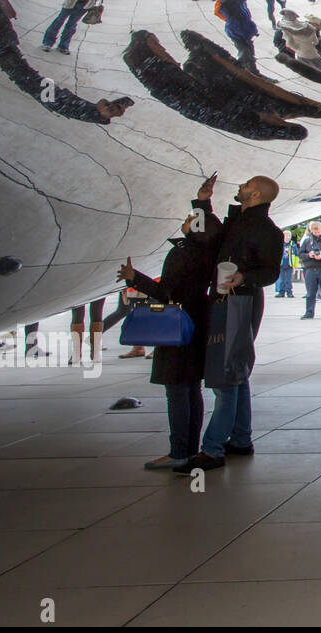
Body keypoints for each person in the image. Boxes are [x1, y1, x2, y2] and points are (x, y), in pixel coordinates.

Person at [176, 173, 282, 472]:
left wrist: (244, 277)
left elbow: (271, 272)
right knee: (236, 372)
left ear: (256, 196)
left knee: (226, 377)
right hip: (232, 298)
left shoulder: (265, 229)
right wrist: (202, 203)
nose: (240, 187)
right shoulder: (241, 222)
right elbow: (205, 237)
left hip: (239, 300)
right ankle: (240, 439)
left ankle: (212, 450)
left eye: (246, 186)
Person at [116, 177, 220, 469]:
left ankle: (178, 452)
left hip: (176, 326)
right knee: (191, 389)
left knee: (176, 390)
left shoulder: (184, 254)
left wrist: (135, 278)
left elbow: (167, 291)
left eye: (191, 220)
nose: (187, 221)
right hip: (196, 321)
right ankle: (189, 448)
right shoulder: (207, 253)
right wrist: (202, 200)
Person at [41, 0, 107, 54]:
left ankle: (63, 46)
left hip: (84, 6)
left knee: (71, 25)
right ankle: (48, 43)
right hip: (72, 3)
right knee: (59, 21)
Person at [214, 0, 260, 73]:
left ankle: (252, 72)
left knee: (250, 52)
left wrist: (252, 30)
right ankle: (240, 71)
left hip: (245, 31)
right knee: (245, 53)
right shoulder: (228, 0)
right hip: (236, 32)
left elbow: (246, 16)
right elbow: (235, 17)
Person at [298, 220, 321, 320]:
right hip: (310, 268)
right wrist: (308, 255)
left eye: (318, 232)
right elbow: (301, 254)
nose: (316, 234)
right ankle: (309, 312)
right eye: (315, 232)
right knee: (310, 292)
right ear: (311, 230)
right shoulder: (307, 241)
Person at [275, 229, 294, 298]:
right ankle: (281, 292)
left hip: (289, 265)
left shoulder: (293, 245)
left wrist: (294, 266)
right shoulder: (280, 244)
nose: (287, 237)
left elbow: (295, 256)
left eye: (289, 236)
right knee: (281, 280)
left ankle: (289, 292)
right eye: (286, 236)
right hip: (281, 265)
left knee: (288, 280)